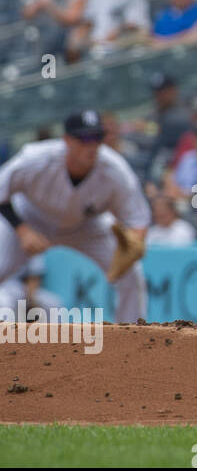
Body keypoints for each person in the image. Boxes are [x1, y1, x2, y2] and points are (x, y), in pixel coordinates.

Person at [0, 112, 150, 322]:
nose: (92, 145)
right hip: (30, 217)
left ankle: (134, 337)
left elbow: (138, 219)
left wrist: (133, 246)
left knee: (131, 274)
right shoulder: (35, 159)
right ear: (67, 140)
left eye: (97, 137)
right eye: (84, 138)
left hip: (86, 226)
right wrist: (22, 229)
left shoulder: (116, 170)